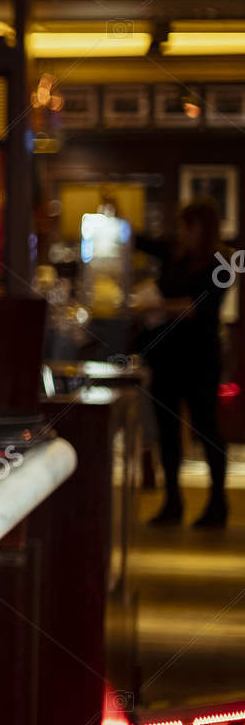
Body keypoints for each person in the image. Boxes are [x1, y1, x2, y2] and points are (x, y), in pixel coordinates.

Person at [136, 198, 231, 528]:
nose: (181, 233)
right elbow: (146, 243)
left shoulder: (222, 262)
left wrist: (159, 307)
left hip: (201, 358)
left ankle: (218, 502)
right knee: (167, 432)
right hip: (167, 356)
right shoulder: (175, 258)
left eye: (186, 227)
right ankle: (172, 501)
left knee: (206, 429)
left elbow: (197, 308)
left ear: (200, 229)